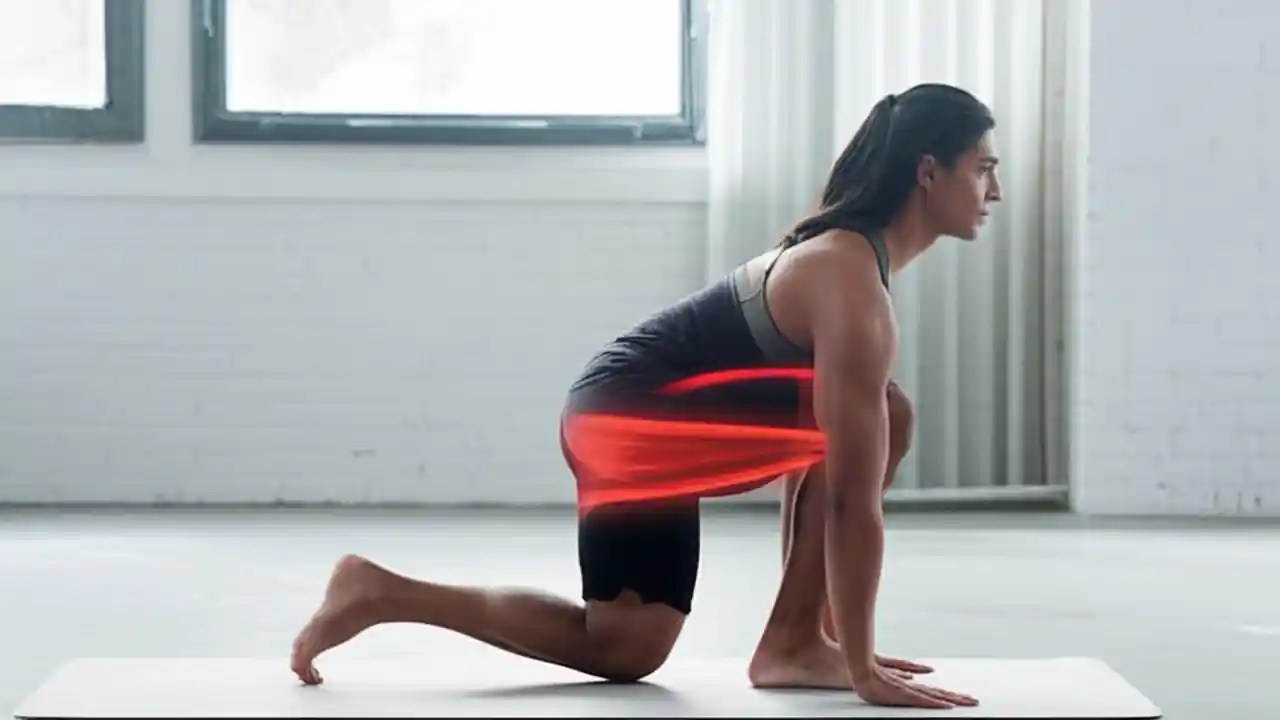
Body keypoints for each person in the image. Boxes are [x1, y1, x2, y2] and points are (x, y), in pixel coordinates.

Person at [288, 82, 1002, 711]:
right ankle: (795, 643)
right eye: (984, 169)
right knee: (886, 413)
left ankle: (382, 592)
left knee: (624, 649)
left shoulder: (850, 263)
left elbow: (820, 460)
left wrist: (837, 644)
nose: (993, 191)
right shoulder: (848, 277)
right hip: (633, 417)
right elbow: (849, 497)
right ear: (928, 171)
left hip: (632, 416)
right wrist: (862, 664)